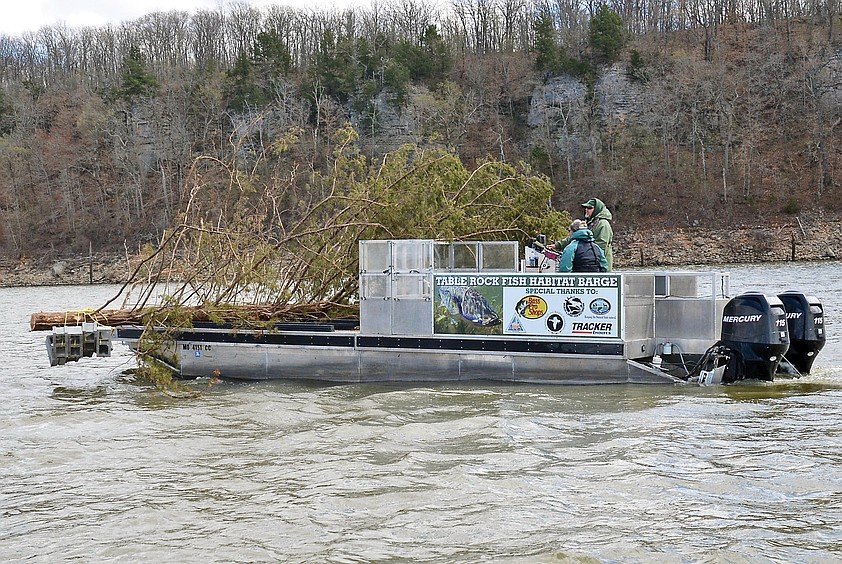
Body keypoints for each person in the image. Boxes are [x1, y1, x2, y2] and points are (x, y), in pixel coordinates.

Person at [581, 198, 613, 270]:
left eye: (589, 208)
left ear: (596, 209)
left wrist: (586, 253)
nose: (586, 210)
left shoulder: (603, 224)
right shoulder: (589, 223)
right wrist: (558, 245)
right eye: (586, 208)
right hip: (592, 263)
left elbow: (602, 245)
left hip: (602, 264)